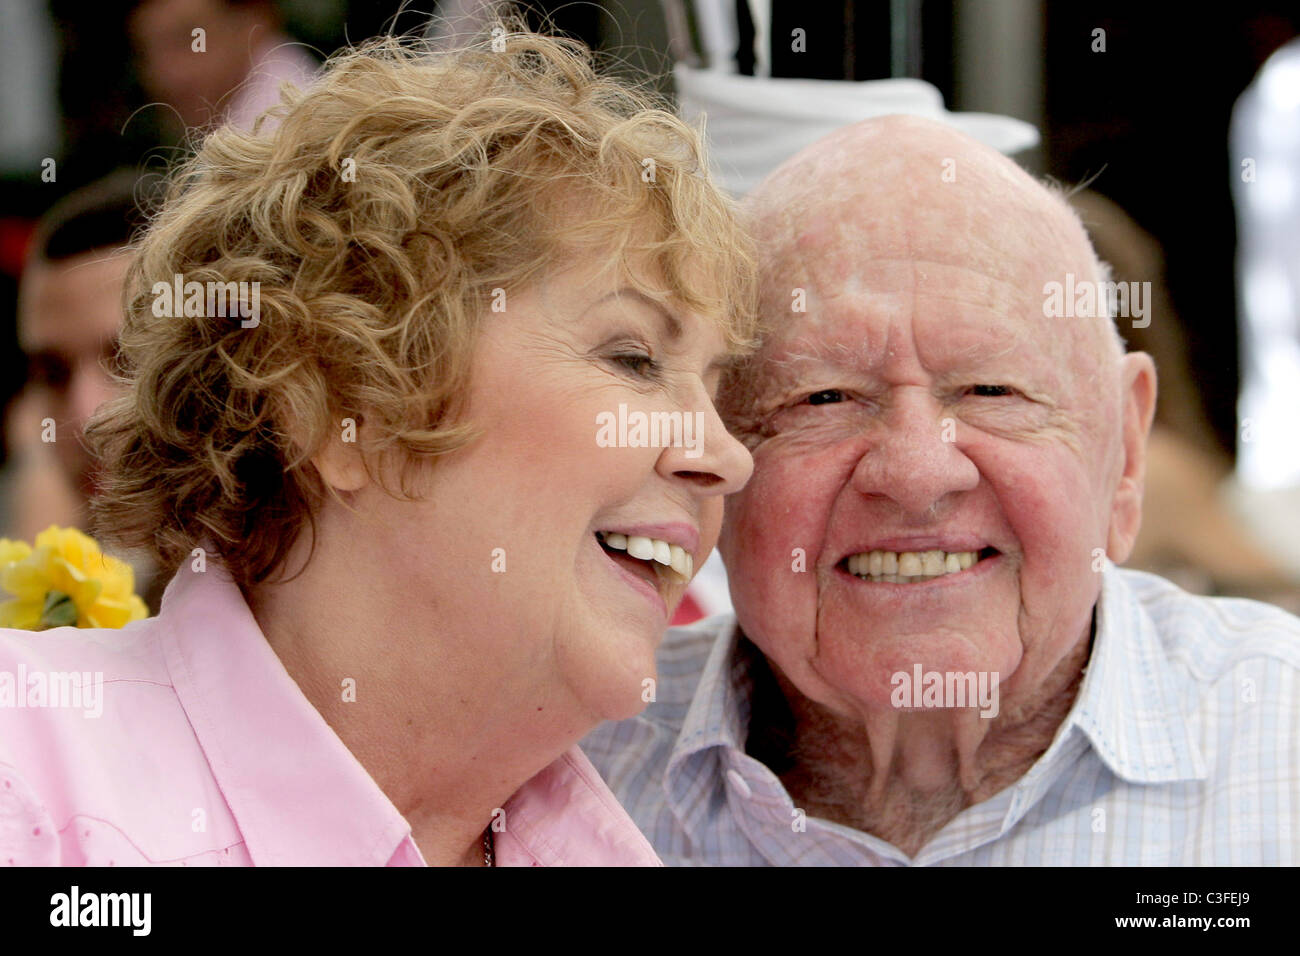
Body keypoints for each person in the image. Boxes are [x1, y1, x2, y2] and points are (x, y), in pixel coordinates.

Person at [0, 27, 755, 866]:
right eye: (634, 359)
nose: (726, 456)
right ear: (338, 409)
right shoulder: (28, 773)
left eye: (718, 391)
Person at [582, 115, 1300, 865]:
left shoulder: (1280, 754)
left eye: (992, 391)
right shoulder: (559, 761)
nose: (918, 476)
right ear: (714, 457)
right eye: (821, 398)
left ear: (1124, 454)